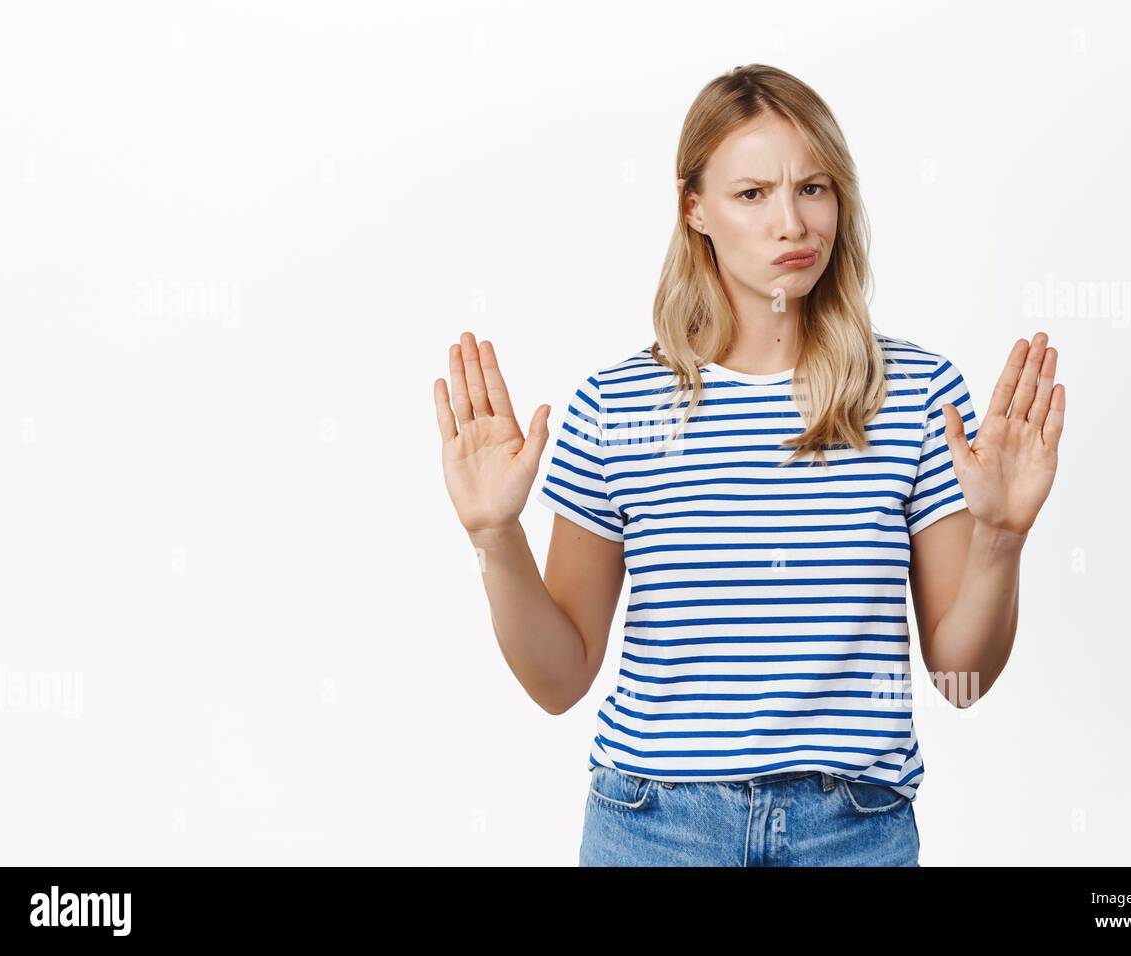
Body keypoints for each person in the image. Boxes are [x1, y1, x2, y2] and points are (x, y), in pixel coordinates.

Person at [434, 64, 1064, 866]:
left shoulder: (915, 395)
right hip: (654, 829)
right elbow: (558, 682)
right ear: (694, 207)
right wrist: (495, 535)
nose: (793, 224)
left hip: (854, 830)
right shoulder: (616, 406)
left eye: (814, 188)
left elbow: (960, 676)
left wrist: (1001, 539)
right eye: (753, 194)